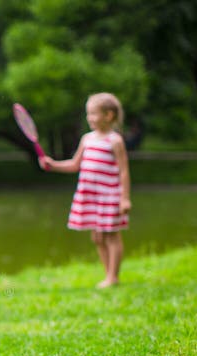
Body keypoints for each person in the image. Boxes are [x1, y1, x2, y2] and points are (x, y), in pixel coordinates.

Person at [41, 93, 131, 288]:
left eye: (93, 114)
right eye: (88, 114)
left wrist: (124, 198)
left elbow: (124, 171)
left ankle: (113, 277)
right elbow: (75, 165)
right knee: (97, 237)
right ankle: (108, 274)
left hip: (109, 195)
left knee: (111, 235)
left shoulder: (115, 141)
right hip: (91, 196)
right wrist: (53, 165)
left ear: (108, 115)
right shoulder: (87, 139)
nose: (89, 118)